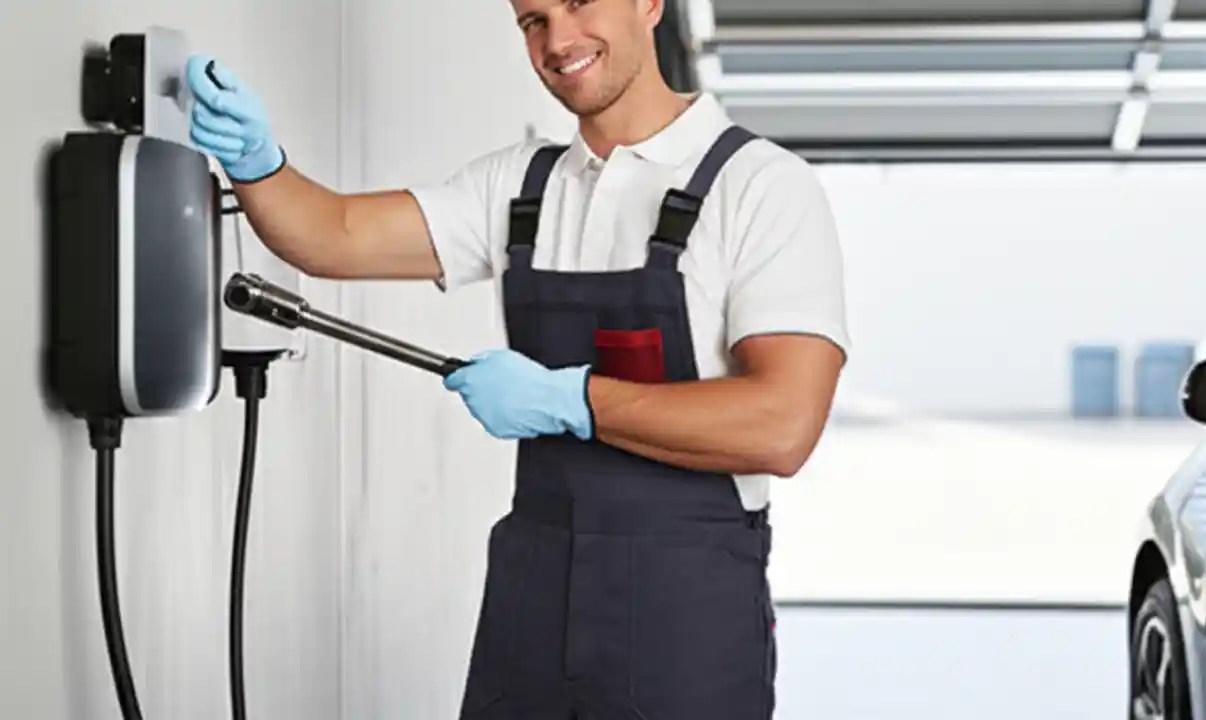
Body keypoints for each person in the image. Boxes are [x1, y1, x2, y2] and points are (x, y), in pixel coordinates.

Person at [186, 0, 848, 717]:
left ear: (651, 3)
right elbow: (335, 235)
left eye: (576, 3)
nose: (557, 41)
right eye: (533, 19)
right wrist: (258, 163)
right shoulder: (520, 188)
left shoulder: (760, 187)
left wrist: (574, 401)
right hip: (533, 591)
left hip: (684, 610)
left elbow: (781, 426)